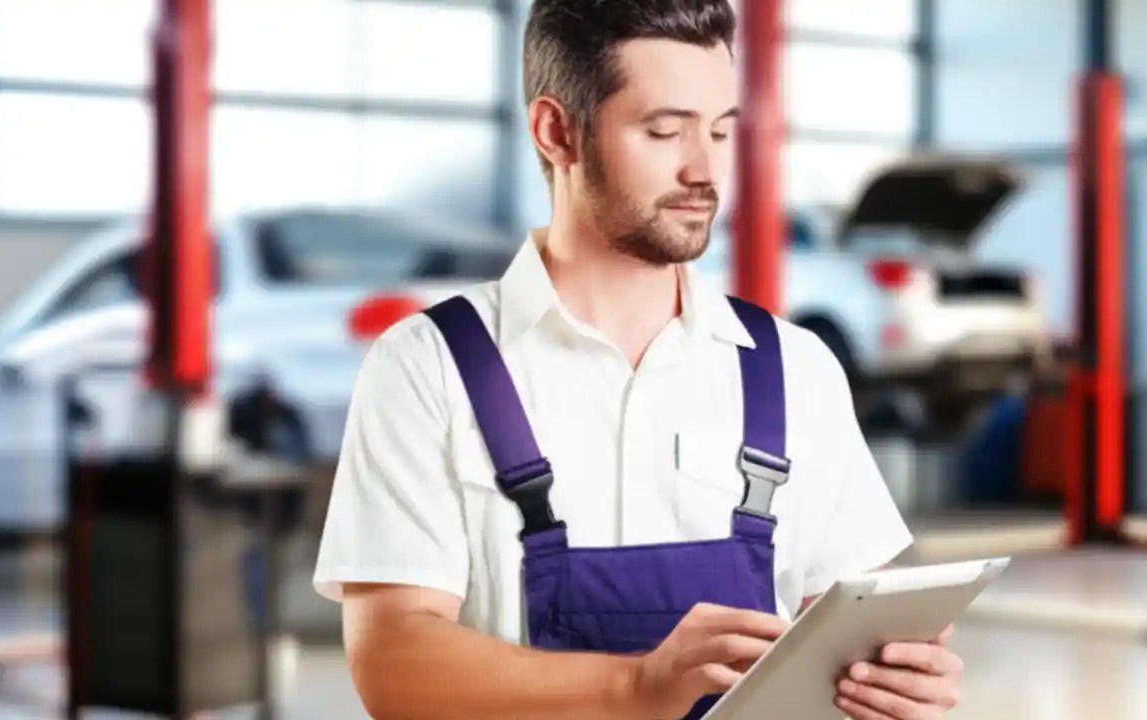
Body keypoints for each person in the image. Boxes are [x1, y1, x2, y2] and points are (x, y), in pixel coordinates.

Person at [314, 1, 965, 718]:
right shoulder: (427, 368)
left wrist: (896, 679)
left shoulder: (793, 368)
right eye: (664, 131)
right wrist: (634, 687)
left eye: (720, 131)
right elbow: (392, 660)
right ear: (556, 131)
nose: (705, 170)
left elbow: (849, 621)